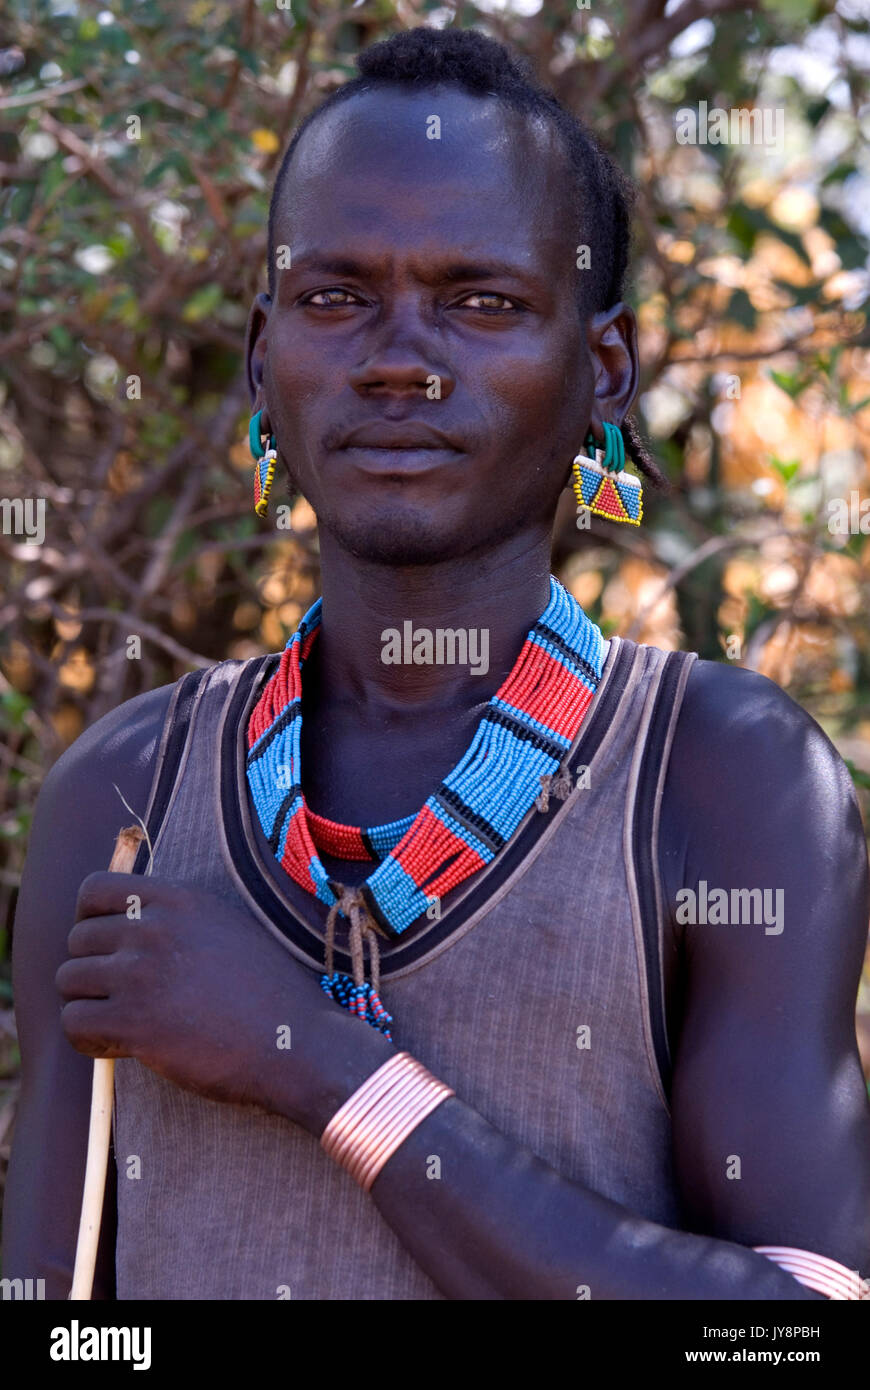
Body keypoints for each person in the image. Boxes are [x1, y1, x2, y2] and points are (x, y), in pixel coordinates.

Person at [3, 27, 869, 1301]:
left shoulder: (725, 780)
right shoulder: (125, 797)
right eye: (336, 298)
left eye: (481, 302)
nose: (400, 358)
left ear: (604, 371)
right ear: (263, 356)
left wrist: (318, 1064)